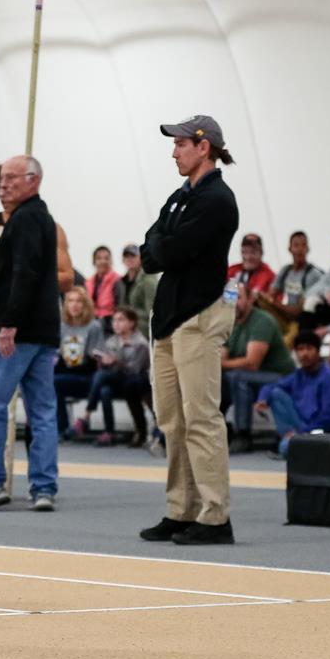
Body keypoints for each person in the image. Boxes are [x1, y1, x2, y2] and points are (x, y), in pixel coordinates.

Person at [138, 116, 241, 545]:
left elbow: (171, 248)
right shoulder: (181, 197)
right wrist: (161, 246)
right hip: (169, 317)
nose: (174, 151)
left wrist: (162, 246)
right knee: (172, 421)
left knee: (201, 418)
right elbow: (149, 249)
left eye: (180, 144)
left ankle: (215, 515)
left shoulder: (217, 199)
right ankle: (181, 509)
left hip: (198, 316)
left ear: (205, 147)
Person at [0, 156, 62, 512]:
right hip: (44, 331)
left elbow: (23, 274)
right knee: (43, 411)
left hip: (15, 332)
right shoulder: (44, 219)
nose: (3, 185)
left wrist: (8, 324)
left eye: (11, 178)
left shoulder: (21, 221)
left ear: (33, 180)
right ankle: (44, 487)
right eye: (1, 179)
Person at [254, 330, 330, 458]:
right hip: (303, 426)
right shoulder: (299, 374)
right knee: (276, 394)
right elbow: (272, 386)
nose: (304, 354)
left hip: (324, 432)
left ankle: (293, 442)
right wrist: (262, 398)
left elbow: (329, 418)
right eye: (300, 349)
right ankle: (292, 440)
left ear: (318, 351)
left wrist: (301, 432)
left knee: (286, 448)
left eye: (309, 349)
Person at [220, 285, 294, 438]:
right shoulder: (229, 323)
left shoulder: (262, 321)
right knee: (214, 379)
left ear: (251, 299)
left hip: (279, 377)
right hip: (251, 376)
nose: (233, 303)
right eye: (229, 299)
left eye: (238, 298)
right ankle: (217, 429)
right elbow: (222, 358)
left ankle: (243, 434)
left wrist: (218, 365)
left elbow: (252, 364)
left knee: (236, 377)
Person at [86, 306, 151, 446]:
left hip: (134, 381)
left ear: (131, 323)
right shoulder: (111, 341)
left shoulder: (140, 343)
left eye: (121, 320)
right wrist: (102, 361)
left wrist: (117, 361)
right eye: (114, 320)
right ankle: (109, 431)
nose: (116, 324)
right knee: (104, 389)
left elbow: (136, 370)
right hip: (117, 378)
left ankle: (87, 413)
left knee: (102, 377)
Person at [57, 286, 104, 439]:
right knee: (50, 382)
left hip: (86, 377)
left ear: (85, 305)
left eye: (79, 301)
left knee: (54, 383)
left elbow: (94, 360)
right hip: (65, 374)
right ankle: (61, 427)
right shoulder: (61, 325)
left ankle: (62, 429)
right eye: (70, 301)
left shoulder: (93, 326)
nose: (74, 305)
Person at [254, 231, 322, 336]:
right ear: (289, 248)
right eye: (296, 245)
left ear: (307, 249)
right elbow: (269, 296)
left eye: (303, 245)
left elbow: (300, 310)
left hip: (303, 322)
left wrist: (274, 303)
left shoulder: (313, 274)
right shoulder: (286, 270)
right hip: (286, 316)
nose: (299, 250)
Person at [116, 244, 157, 340]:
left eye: (133, 256)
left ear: (140, 258)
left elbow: (151, 312)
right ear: (123, 260)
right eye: (126, 256)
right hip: (126, 325)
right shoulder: (122, 281)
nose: (129, 259)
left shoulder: (148, 279)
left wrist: (129, 315)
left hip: (143, 327)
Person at [225, 234, 273, 299]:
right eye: (245, 252)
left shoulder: (269, 275)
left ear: (261, 253)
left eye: (253, 252)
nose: (248, 257)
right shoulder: (231, 270)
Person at [86, 246, 119, 320]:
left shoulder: (118, 281)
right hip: (91, 320)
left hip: (110, 322)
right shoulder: (88, 282)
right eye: (99, 258)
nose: (103, 261)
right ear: (94, 262)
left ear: (111, 261)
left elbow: (119, 307)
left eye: (106, 258)